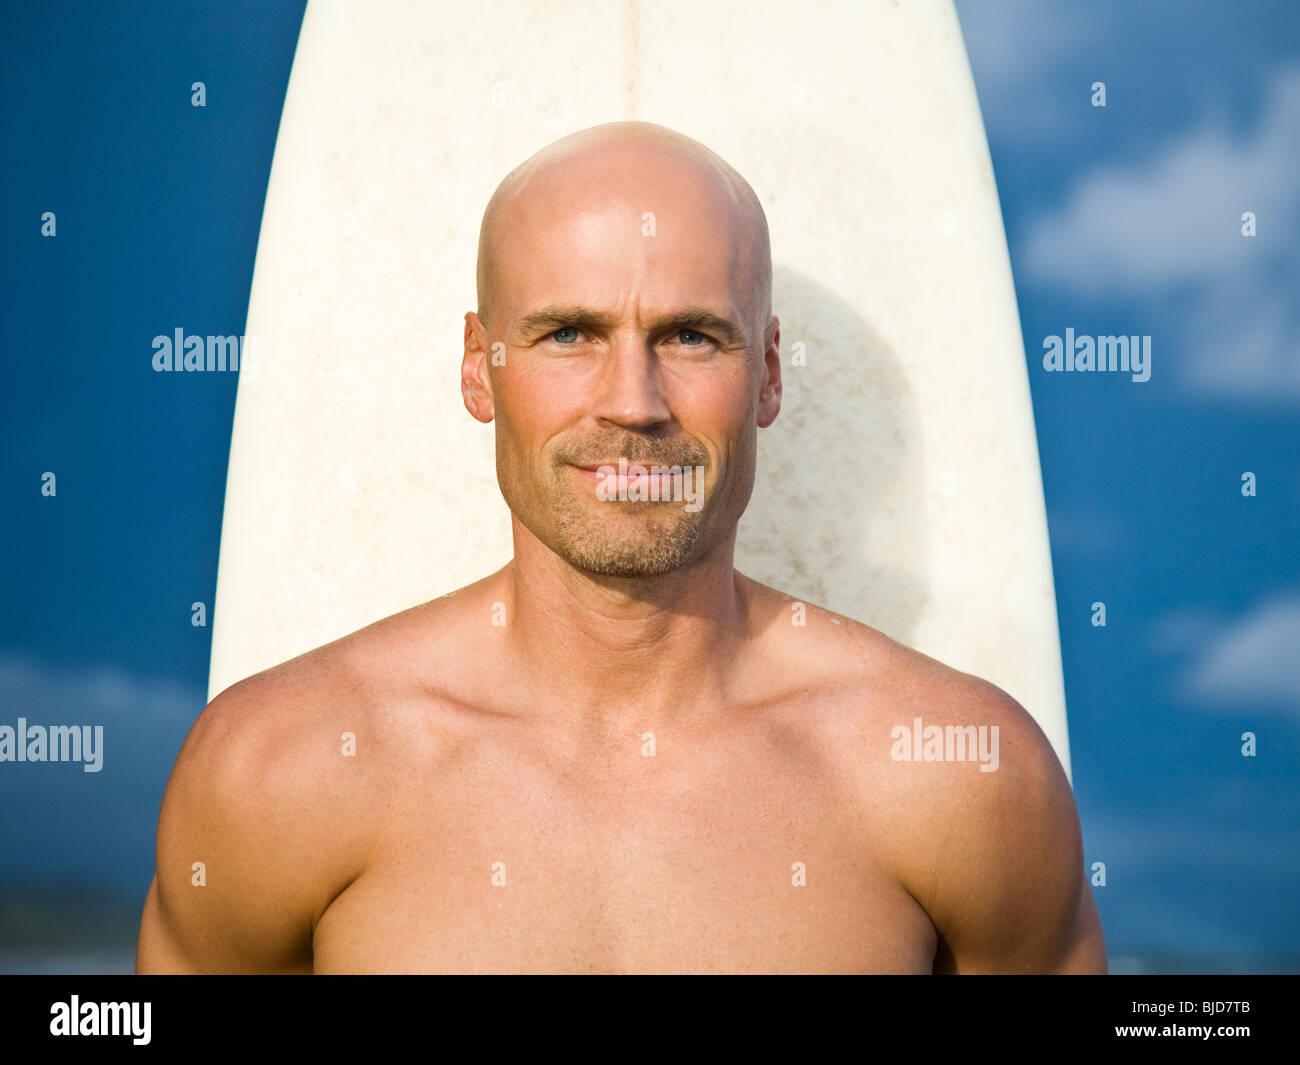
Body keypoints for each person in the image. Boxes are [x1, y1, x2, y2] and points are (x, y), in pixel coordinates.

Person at [137, 121, 1106, 974]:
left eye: (689, 337)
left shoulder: (963, 781)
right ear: (480, 367)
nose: (632, 403)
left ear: (767, 373)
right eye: (568, 334)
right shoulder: (277, 772)